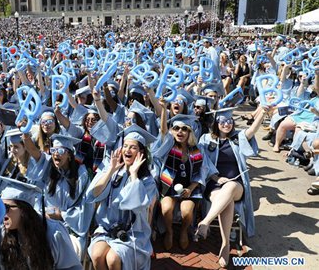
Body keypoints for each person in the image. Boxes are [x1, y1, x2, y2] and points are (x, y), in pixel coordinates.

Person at [196, 106, 268, 267]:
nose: (227, 124)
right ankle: (225, 243)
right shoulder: (206, 139)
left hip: (236, 185)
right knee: (225, 200)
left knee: (228, 189)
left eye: (229, 121)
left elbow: (252, 130)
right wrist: (215, 177)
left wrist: (262, 113)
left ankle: (206, 222)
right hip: (214, 184)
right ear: (216, 123)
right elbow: (202, 163)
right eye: (223, 121)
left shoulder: (238, 137)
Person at [86, 124, 157, 270]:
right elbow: (93, 194)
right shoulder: (112, 170)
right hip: (106, 228)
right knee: (97, 255)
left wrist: (134, 174)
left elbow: (136, 206)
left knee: (113, 259)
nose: (127, 150)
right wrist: (111, 170)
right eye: (125, 146)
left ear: (141, 152)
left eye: (133, 147)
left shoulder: (147, 180)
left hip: (132, 233)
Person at [151, 104, 215, 251]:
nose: (180, 131)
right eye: (176, 128)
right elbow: (162, 131)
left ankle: (184, 231)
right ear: (172, 131)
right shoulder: (168, 146)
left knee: (187, 212)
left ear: (190, 132)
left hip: (189, 189)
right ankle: (169, 231)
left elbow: (202, 171)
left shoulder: (197, 150)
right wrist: (162, 109)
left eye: (184, 129)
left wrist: (191, 188)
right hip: (169, 187)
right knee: (166, 209)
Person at [0, 176, 82, 270]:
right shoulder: (3, 233)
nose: (1, 212)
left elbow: (72, 268)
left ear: (23, 210)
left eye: (6, 207)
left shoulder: (54, 232)